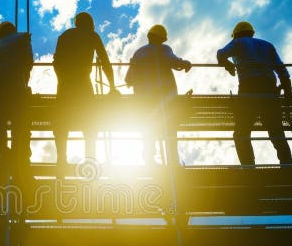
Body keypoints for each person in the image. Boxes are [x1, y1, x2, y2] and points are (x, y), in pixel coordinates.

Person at [217, 21, 292, 165]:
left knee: (241, 132)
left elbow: (221, 54)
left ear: (236, 34)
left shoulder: (238, 43)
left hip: (249, 88)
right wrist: (288, 90)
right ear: (251, 32)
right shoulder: (267, 45)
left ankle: (248, 166)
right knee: (276, 130)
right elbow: (281, 70)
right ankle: (287, 163)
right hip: (269, 89)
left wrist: (227, 64)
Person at [53, 12, 119, 167]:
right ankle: (90, 158)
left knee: (62, 121)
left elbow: (56, 62)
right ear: (90, 23)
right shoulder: (92, 36)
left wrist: (62, 79)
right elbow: (105, 61)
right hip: (83, 82)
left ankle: (61, 158)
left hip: (65, 83)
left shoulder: (64, 36)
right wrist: (112, 86)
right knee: (89, 121)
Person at [125, 24, 191, 165]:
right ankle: (173, 164)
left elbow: (128, 80)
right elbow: (174, 61)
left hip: (144, 101)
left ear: (149, 36)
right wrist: (185, 63)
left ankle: (150, 163)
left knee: (148, 132)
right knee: (170, 131)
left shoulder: (138, 53)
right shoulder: (163, 49)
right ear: (162, 38)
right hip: (165, 99)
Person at [0, 21, 34, 172]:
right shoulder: (23, 38)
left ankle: (1, 154)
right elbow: (28, 62)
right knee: (20, 120)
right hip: (15, 83)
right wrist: (25, 82)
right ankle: (21, 154)